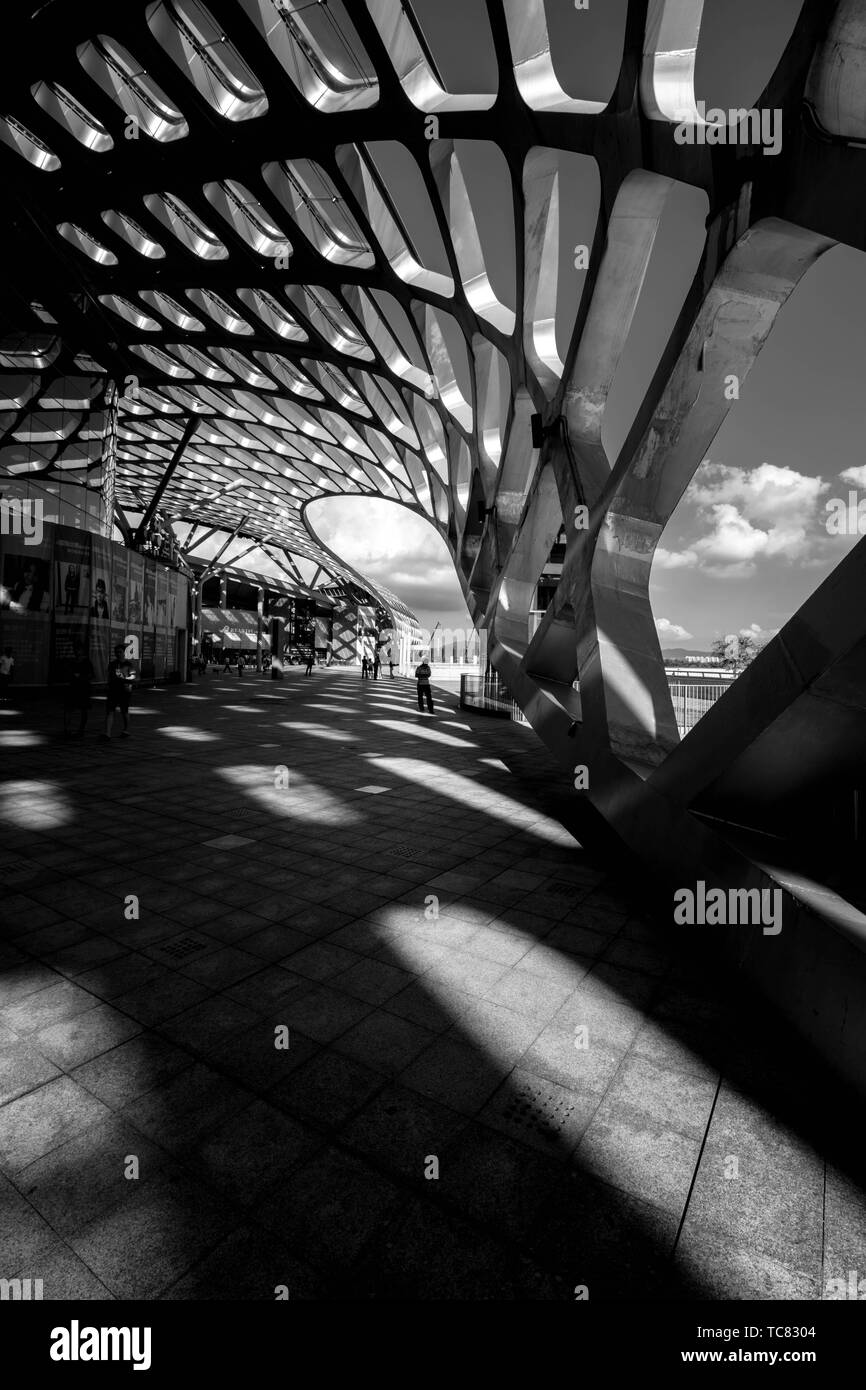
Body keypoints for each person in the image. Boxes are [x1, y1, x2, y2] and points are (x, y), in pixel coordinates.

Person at [101, 643, 136, 741]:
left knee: (124, 711)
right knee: (110, 711)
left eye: (120, 652)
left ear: (124, 652)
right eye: (116, 652)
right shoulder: (112, 664)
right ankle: (107, 733)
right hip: (113, 690)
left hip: (124, 691)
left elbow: (133, 676)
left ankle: (126, 730)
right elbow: (110, 676)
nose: (118, 654)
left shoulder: (128, 664)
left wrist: (125, 679)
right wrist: (108, 686)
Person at [64, 639, 93, 736]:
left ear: (83, 650)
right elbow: (68, 673)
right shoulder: (72, 661)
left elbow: (91, 675)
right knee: (69, 708)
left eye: (79, 649)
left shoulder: (86, 661)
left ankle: (81, 729)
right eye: (75, 649)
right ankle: (67, 729)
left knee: (83, 709)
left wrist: (80, 676)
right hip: (74, 687)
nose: (77, 651)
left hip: (83, 688)